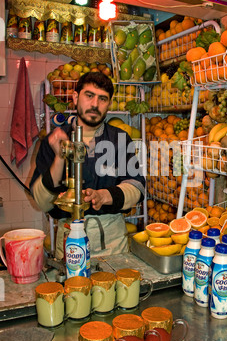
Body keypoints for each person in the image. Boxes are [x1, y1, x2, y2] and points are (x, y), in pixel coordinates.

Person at [30, 71, 145, 258]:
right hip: (69, 245)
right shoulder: (54, 141)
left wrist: (103, 196)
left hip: (112, 245)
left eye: (102, 99)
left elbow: (137, 188)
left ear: (109, 103)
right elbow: (42, 201)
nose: (95, 104)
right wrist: (60, 157)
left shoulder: (119, 139)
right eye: (89, 96)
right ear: (76, 97)